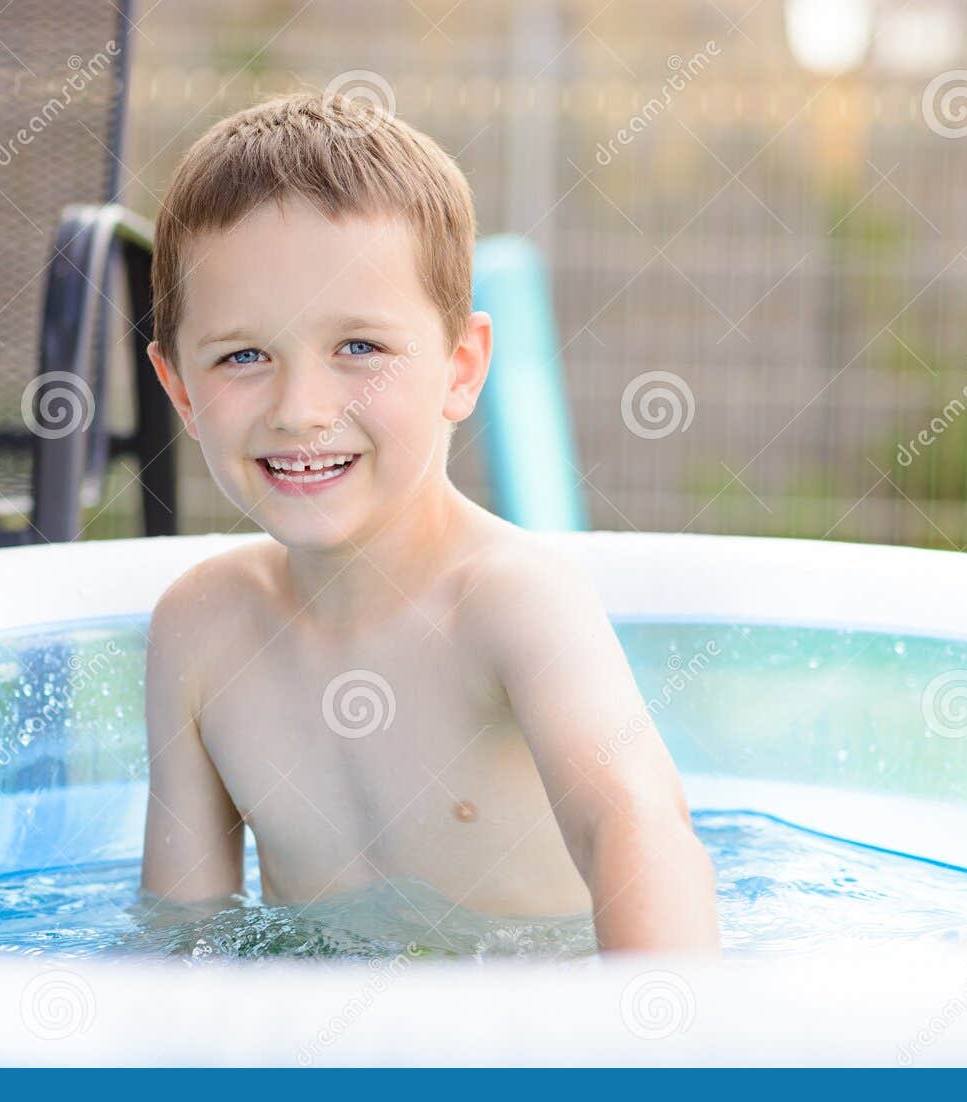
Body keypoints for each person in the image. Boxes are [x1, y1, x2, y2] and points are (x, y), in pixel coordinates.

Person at [139, 91, 719, 954]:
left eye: (360, 349)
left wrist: (657, 1046)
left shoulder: (510, 600)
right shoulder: (201, 631)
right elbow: (181, 938)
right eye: (244, 356)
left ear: (461, 366)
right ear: (181, 388)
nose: (301, 410)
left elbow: (636, 822)